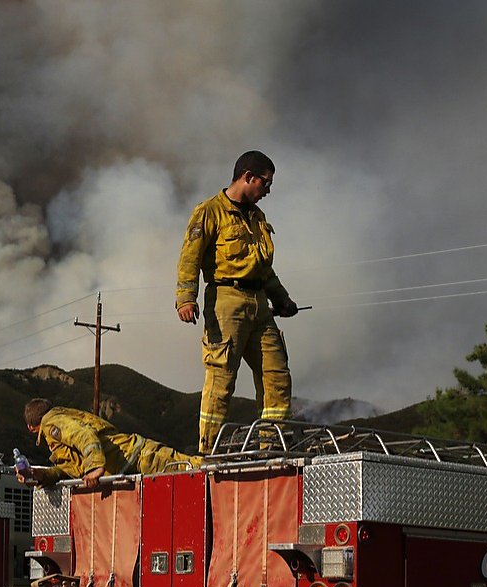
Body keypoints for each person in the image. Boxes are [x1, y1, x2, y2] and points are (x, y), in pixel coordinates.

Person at [175, 150, 302, 455]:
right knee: (221, 378)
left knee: (277, 374)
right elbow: (190, 257)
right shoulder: (209, 212)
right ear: (248, 177)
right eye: (265, 183)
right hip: (225, 301)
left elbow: (264, 269)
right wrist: (185, 298)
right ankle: (210, 451)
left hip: (260, 303)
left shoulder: (258, 218)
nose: (267, 190)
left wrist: (282, 299)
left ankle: (273, 445)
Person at [19, 398, 201, 490]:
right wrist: (40, 475)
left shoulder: (51, 422)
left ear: (29, 426)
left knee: (203, 471)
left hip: (141, 458)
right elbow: (69, 469)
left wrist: (94, 466)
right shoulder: (60, 423)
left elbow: (84, 435)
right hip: (137, 461)